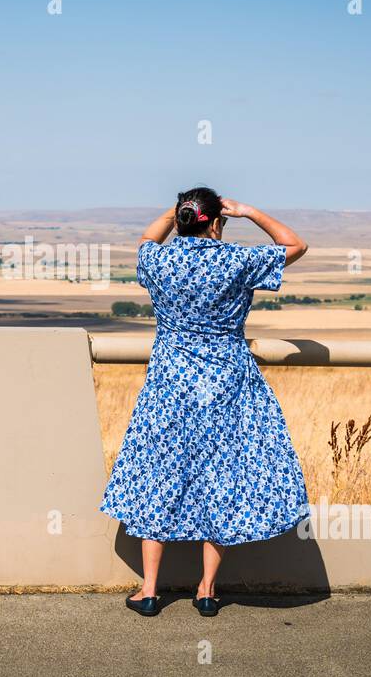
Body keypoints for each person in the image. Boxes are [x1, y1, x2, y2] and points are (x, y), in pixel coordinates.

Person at [99, 187, 311, 617]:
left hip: (169, 386)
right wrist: (248, 211)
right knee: (221, 479)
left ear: (181, 220)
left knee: (158, 476)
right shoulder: (237, 260)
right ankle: (208, 590)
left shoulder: (158, 260)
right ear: (216, 222)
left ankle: (149, 591)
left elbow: (146, 238)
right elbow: (295, 245)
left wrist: (174, 215)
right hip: (227, 386)